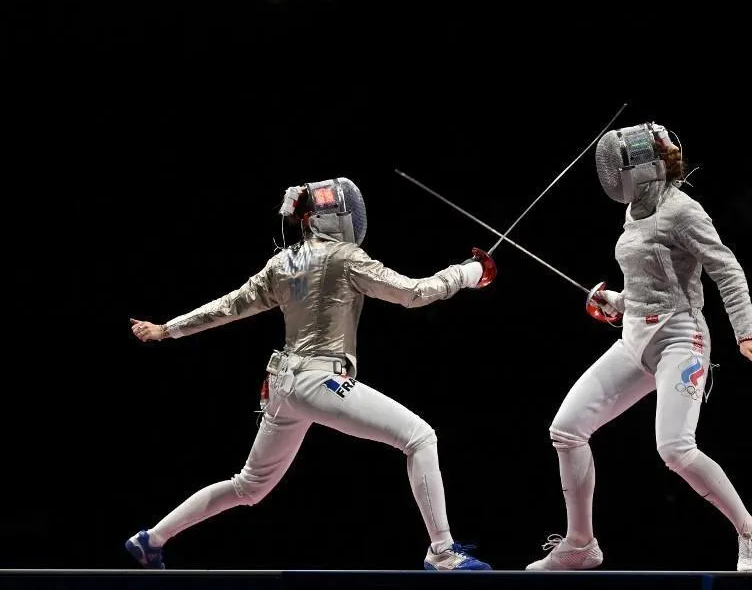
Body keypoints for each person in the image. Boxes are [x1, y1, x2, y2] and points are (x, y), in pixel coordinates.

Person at [126, 176, 496, 571]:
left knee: (248, 486)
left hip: (284, 386)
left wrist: (167, 328)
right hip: (319, 380)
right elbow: (415, 293)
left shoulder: (281, 263)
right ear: (338, 216)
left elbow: (227, 306)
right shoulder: (346, 256)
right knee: (420, 437)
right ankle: (442, 552)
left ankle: (153, 539)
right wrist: (471, 272)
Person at [526, 124, 752, 572]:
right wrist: (617, 302)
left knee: (675, 449)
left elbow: (728, 270)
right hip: (635, 338)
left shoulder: (682, 210)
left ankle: (751, 531)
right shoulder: (637, 210)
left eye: (621, 165)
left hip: (681, 338)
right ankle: (581, 544)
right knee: (566, 430)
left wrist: (746, 333)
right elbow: (651, 278)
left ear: (644, 167)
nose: (612, 173)